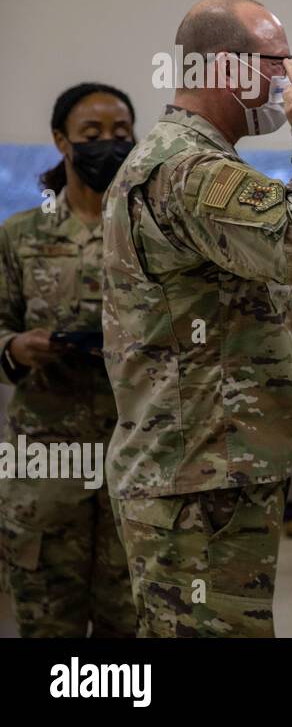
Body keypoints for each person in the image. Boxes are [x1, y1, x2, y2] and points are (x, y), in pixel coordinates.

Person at [103, 0, 292, 637]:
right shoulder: (191, 170)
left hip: (203, 465)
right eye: (279, 60)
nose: (291, 78)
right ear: (226, 69)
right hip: (199, 474)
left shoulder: (187, 159)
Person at [0, 83, 137, 638]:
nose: (108, 144)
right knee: (47, 622)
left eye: (121, 133)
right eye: (92, 135)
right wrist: (15, 347)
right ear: (62, 142)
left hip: (134, 458)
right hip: (47, 463)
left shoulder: (152, 235)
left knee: (129, 622)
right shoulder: (22, 235)